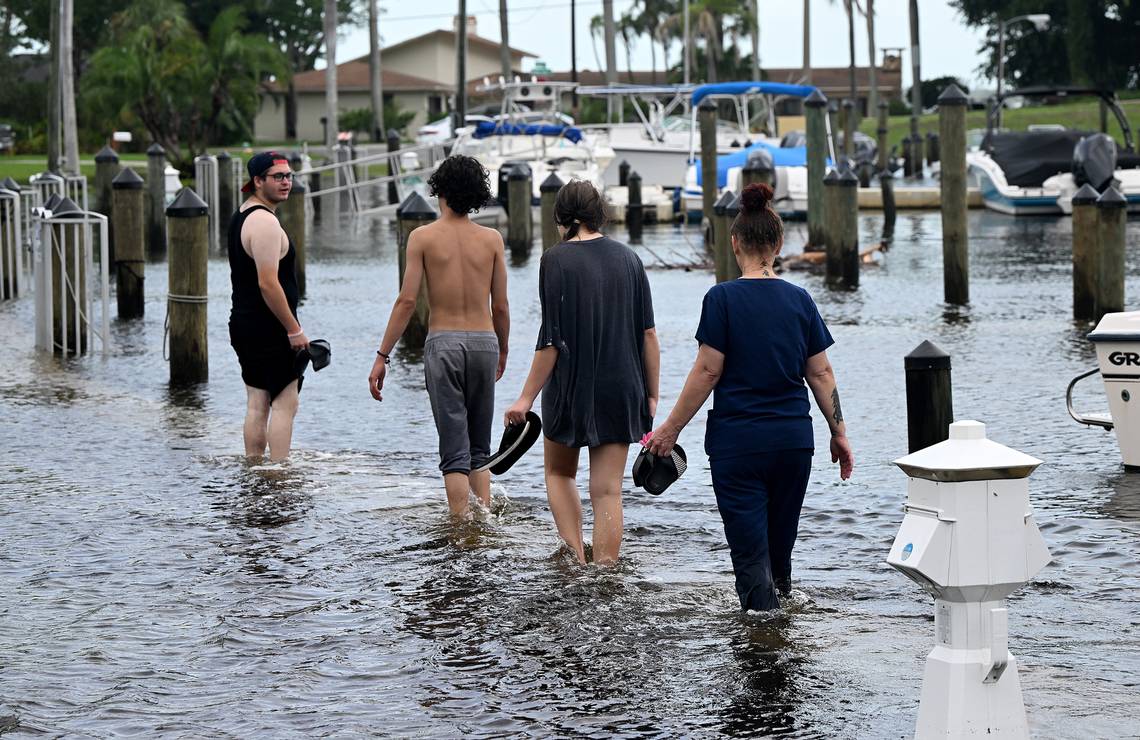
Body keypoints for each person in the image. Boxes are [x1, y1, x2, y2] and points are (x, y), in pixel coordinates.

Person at [645, 183, 854, 611]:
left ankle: (764, 652)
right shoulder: (800, 301)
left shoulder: (721, 298)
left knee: (750, 559)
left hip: (738, 446)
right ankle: (786, 647)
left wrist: (669, 429)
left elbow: (707, 370)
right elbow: (821, 372)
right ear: (779, 244)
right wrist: (840, 432)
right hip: (793, 443)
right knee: (780, 555)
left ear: (735, 242)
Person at [505, 180, 660, 565]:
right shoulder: (629, 259)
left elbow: (551, 341)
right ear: (600, 214)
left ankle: (575, 560)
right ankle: (607, 572)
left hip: (570, 387)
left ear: (560, 217)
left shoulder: (555, 260)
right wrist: (652, 393)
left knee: (560, 474)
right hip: (622, 385)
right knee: (607, 491)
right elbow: (649, 335)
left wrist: (526, 398)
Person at [369, 155, 509, 519]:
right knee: (480, 447)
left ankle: (461, 528)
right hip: (484, 343)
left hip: (443, 343)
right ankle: (486, 524)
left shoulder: (422, 238)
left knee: (454, 448)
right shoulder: (492, 239)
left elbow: (407, 301)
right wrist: (503, 349)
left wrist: (383, 355)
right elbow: (502, 307)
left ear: (439, 191)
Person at [228, 150, 308, 462]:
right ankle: (278, 471)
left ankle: (254, 466)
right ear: (258, 181)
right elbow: (268, 283)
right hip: (268, 327)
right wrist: (294, 330)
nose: (286, 182)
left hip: (246, 323)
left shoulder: (244, 214)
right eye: (278, 177)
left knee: (257, 400)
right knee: (286, 402)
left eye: (289, 176)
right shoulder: (264, 222)